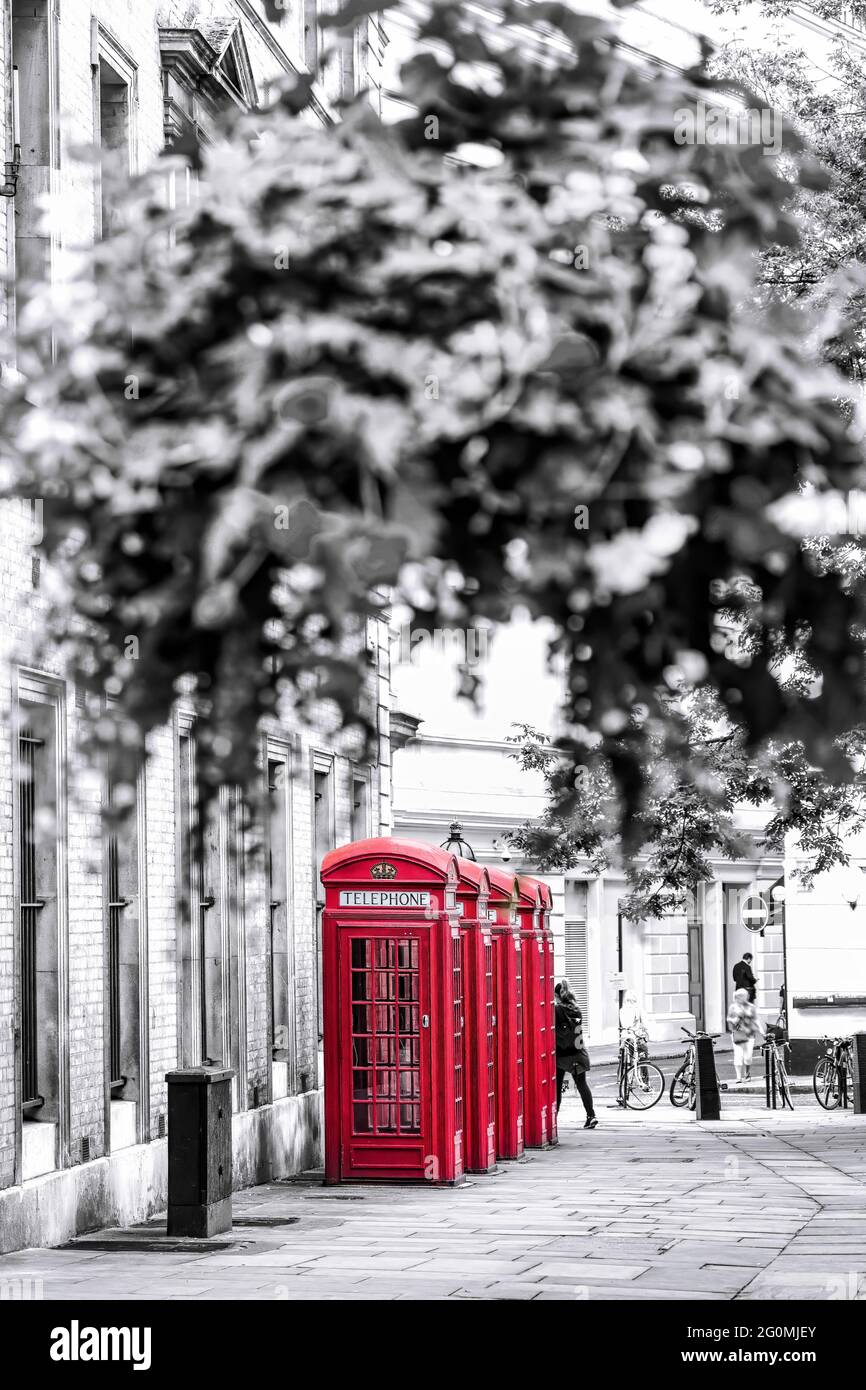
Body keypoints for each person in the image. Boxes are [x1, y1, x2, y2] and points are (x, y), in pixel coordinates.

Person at [554, 980, 597, 1128]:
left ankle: (554, 1120)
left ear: (557, 995)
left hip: (562, 1054)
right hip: (578, 1052)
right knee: (582, 1084)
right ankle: (591, 1115)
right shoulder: (576, 1009)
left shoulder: (557, 1009)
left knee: (557, 1087)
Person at [727, 987, 765, 1084]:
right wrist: (736, 1018)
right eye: (741, 996)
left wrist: (762, 1032)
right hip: (738, 1033)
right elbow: (729, 1020)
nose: (743, 998)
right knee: (738, 1055)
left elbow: (756, 1020)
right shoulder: (733, 1007)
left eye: (744, 996)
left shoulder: (751, 1007)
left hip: (750, 1034)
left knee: (748, 1057)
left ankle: (747, 1073)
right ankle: (739, 1077)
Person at [619, 988, 650, 1084]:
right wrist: (644, 1031)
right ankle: (645, 1081)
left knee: (624, 1057)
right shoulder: (639, 1009)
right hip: (636, 1037)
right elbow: (645, 1025)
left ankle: (622, 1078)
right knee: (643, 1056)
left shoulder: (622, 1010)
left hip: (625, 1038)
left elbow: (624, 1025)